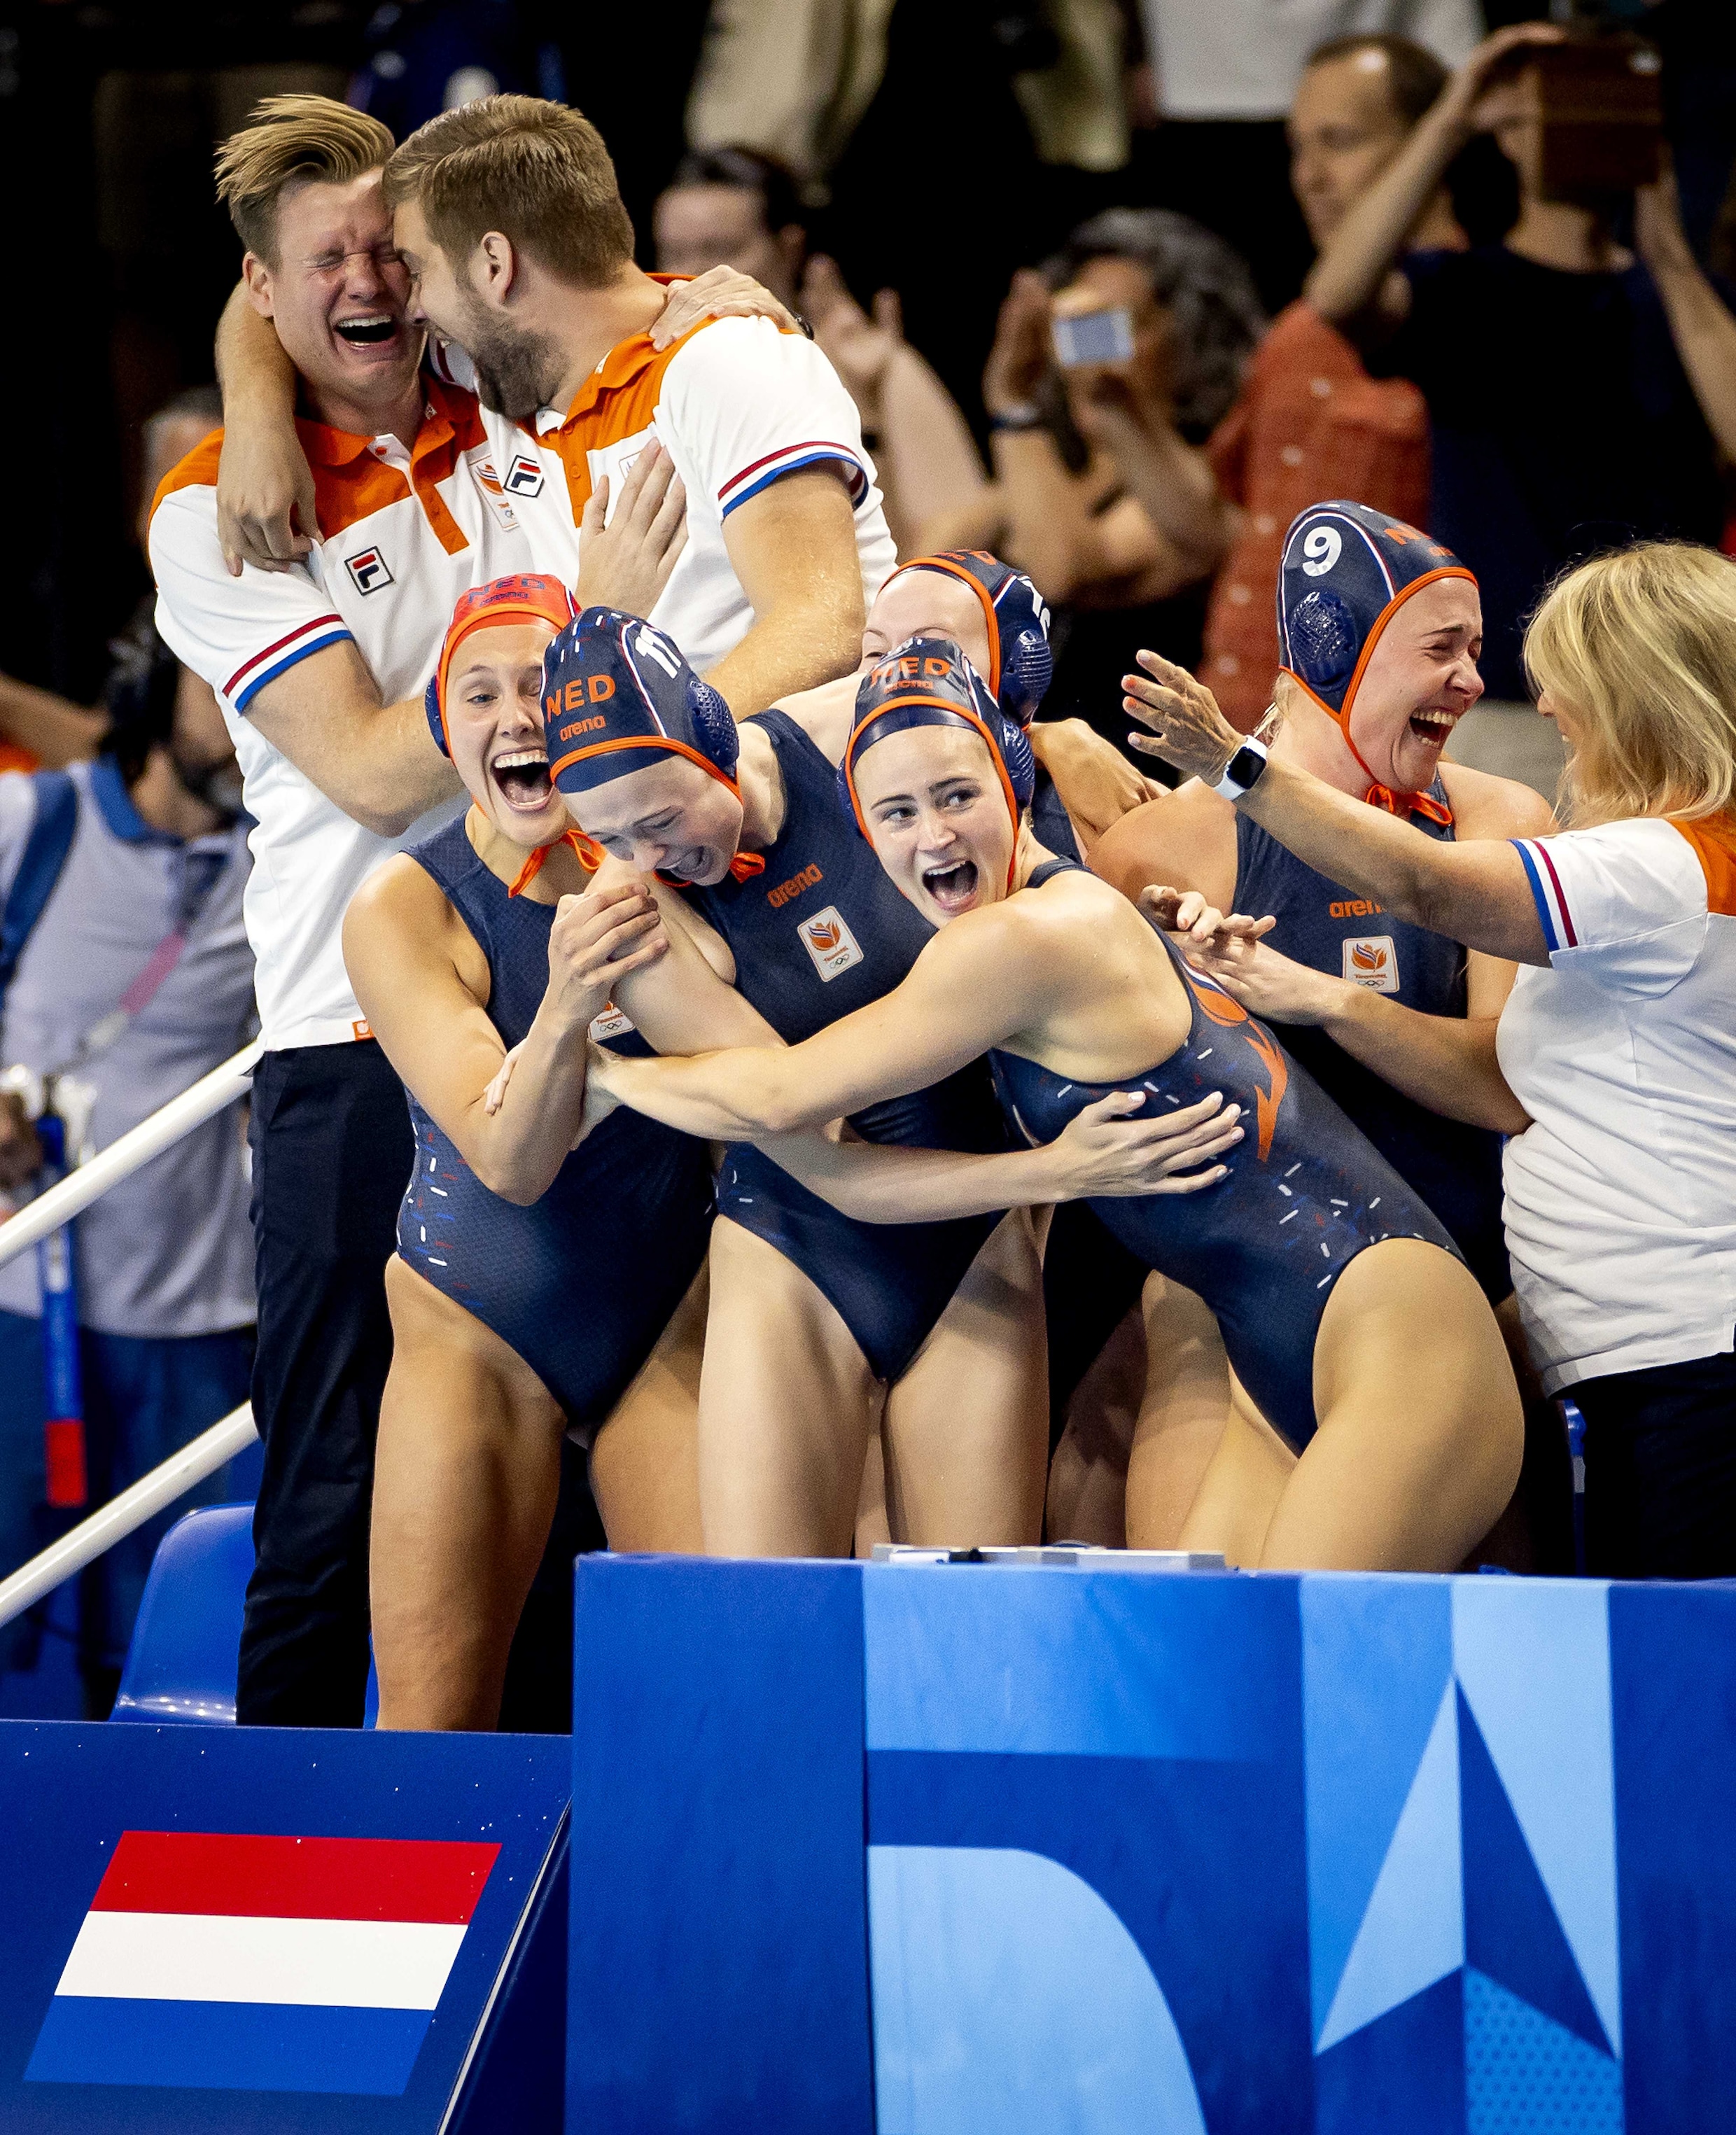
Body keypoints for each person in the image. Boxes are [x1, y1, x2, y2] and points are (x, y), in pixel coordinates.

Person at [150, 94, 738, 1726]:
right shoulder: (215, 506)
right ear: (265, 299)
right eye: (320, 261)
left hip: (611, 991)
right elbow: (362, 763)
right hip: (359, 1041)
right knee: (334, 1496)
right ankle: (274, 1903)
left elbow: (604, 298)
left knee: (566, 1514)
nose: (366, 281)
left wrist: (721, 310)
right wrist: (592, 638)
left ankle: (540, 1888)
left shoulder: (495, 389)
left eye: (382, 247)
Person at [588, 637, 1523, 1571]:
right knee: (1217, 1697)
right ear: (867, 836)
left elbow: (786, 1090)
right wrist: (1050, 1170)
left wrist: (606, 1076)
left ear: (1014, 789)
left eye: (957, 797)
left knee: (1307, 1677)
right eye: (899, 813)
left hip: (1399, 1335)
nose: (935, 837)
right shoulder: (1048, 914)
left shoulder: (1025, 939)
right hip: (1276, 1352)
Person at [538, 606, 1239, 1558]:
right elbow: (826, 1164)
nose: (647, 858)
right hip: (793, 1250)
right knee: (779, 1630)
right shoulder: (643, 923)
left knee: (964, 1629)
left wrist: (1070, 761)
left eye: (660, 819)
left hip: (970, 1263)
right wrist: (1053, 1175)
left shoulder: (857, 736)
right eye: (608, 839)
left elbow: (1009, 776)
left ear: (714, 745)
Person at [1118, 538, 1736, 1581]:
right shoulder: (1656, 866)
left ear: (1645, 695)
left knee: (1686, 1711)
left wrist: (1237, 764)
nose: (1541, 708)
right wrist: (1310, 994)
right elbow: (1513, 1084)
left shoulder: (1669, 864)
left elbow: (1432, 890)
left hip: (1684, 1362)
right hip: (1627, 1361)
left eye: (1567, 681)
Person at [342, 575, 714, 1728]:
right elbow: (509, 1160)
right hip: (478, 1328)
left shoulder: (673, 857)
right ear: (448, 731)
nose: (516, 720)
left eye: (540, 691)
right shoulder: (402, 910)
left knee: (721, 1705)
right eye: (480, 694)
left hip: (670, 1321)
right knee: (429, 1737)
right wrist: (561, 1004)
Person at [1306, 21, 1733, 710]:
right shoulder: (1461, 290)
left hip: (1669, 691)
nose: (1583, 122)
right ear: (1505, 129)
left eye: (1608, 100)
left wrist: (1671, 253)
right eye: (1559, 104)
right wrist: (1451, 118)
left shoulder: (1687, 305)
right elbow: (1336, 293)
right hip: (1507, 690)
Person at [0, 623, 256, 1714]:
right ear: (156, 686)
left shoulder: (280, 863)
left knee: (158, 1645)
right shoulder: (34, 821)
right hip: (18, 1302)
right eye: (225, 676)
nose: (254, 705)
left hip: (197, 1322)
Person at [1113, 35, 1460, 730]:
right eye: (1299, 147)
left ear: (1431, 149)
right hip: (1240, 724)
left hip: (1373, 741)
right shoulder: (1297, 331)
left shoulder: (1474, 320)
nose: (1310, 176)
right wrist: (1118, 413)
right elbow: (1223, 531)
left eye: (1340, 141)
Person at [922, 209, 1265, 760]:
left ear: (1190, 337)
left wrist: (1015, 407)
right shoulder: (1073, 472)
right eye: (1072, 323)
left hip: (1129, 773)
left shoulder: (1198, 482)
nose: (1087, 344)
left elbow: (1060, 569)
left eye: (1118, 323)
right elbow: (926, 560)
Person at [653, 146, 808, 309]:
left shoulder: (817, 334)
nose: (692, 277)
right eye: (674, 255)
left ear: (789, 251)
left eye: (721, 252)